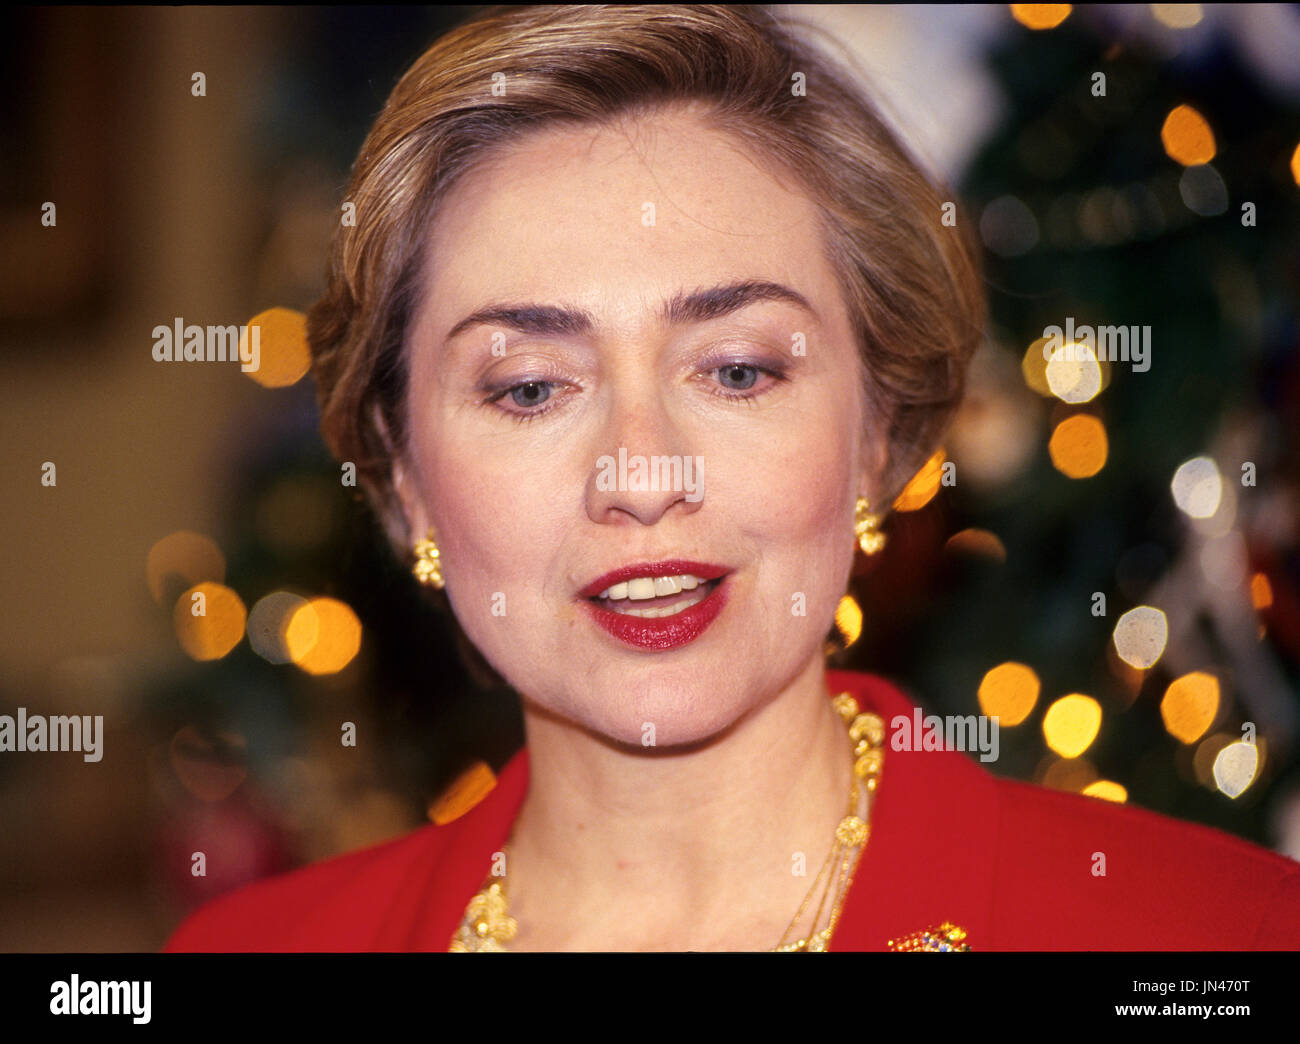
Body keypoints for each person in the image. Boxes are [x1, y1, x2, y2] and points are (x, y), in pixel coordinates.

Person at [164, 4, 1300, 952]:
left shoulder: (1217, 938)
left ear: (880, 430)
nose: (641, 473)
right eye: (530, 388)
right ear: (404, 473)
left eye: (738, 370)